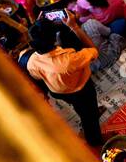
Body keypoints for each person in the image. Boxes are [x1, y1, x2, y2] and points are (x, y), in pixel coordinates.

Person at [25, 14, 103, 147]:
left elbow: (37, 77)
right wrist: (75, 27)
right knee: (88, 116)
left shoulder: (32, 61)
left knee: (81, 108)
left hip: (58, 91)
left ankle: (90, 113)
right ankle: (95, 140)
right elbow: (94, 51)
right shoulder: (68, 61)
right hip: (80, 90)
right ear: (54, 38)